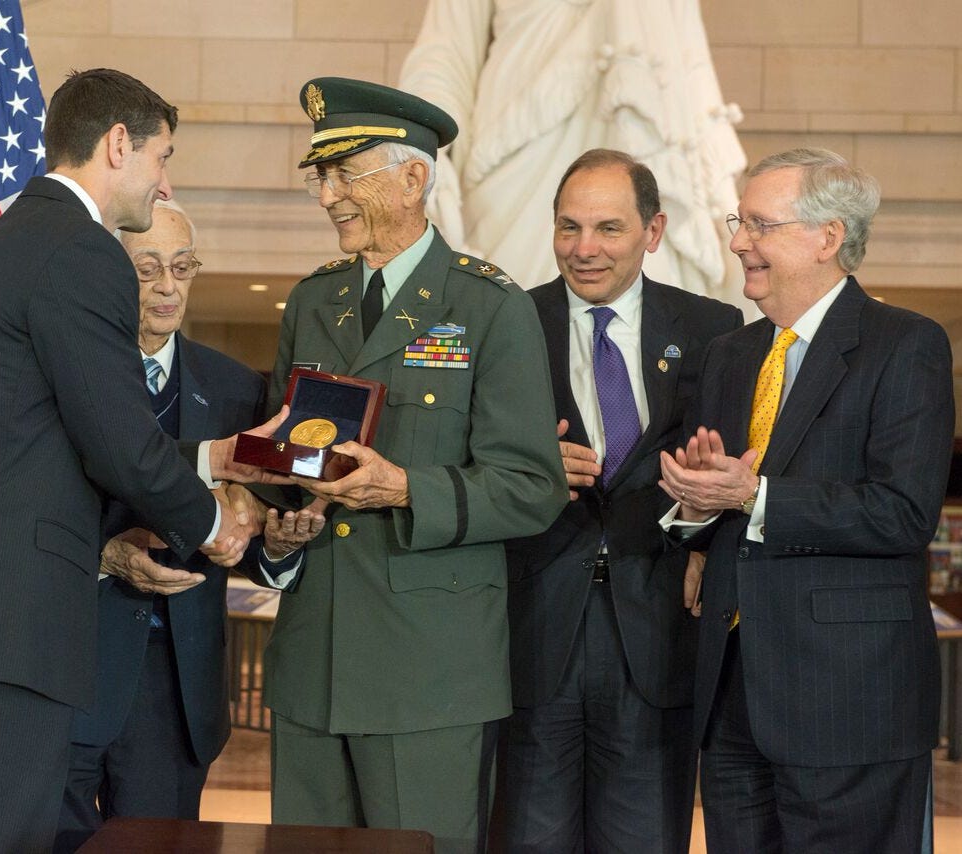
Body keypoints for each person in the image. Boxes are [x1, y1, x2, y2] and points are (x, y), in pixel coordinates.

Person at [0, 68, 276, 854]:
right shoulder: (81, 249)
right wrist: (211, 524)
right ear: (116, 144)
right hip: (17, 619)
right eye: (161, 158)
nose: (163, 181)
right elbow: (119, 441)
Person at [259, 76, 567, 850]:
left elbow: (533, 488)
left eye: (344, 176)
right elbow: (288, 454)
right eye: (318, 177)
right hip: (311, 662)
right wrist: (279, 523)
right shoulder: (310, 302)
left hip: (426, 671)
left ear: (413, 176)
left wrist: (402, 487)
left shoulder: (488, 307)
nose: (327, 196)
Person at [658, 148, 955, 853]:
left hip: (847, 703)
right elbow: (725, 505)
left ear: (827, 237)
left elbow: (903, 513)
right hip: (733, 698)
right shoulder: (731, 355)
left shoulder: (904, 345)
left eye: (758, 224)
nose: (737, 242)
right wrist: (696, 509)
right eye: (738, 222)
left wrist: (752, 495)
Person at [502, 148, 742, 853]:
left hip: (658, 628)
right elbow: (467, 459)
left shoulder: (713, 329)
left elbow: (728, 474)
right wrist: (523, 465)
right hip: (532, 627)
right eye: (567, 227)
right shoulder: (507, 323)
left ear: (653, 231)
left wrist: (698, 514)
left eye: (607, 229)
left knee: (642, 838)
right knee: (527, 836)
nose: (583, 249)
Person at [52, 200, 266, 852]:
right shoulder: (61, 372)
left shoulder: (235, 390)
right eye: (147, 270)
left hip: (174, 691)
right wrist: (104, 553)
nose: (169, 286)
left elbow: (252, 529)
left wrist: (269, 536)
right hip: (63, 668)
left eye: (181, 267)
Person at [398, 0, 748, 310]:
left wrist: (705, 165)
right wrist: (426, 142)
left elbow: (684, 46)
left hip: (645, 130)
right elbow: (445, 51)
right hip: (519, 154)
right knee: (512, 315)